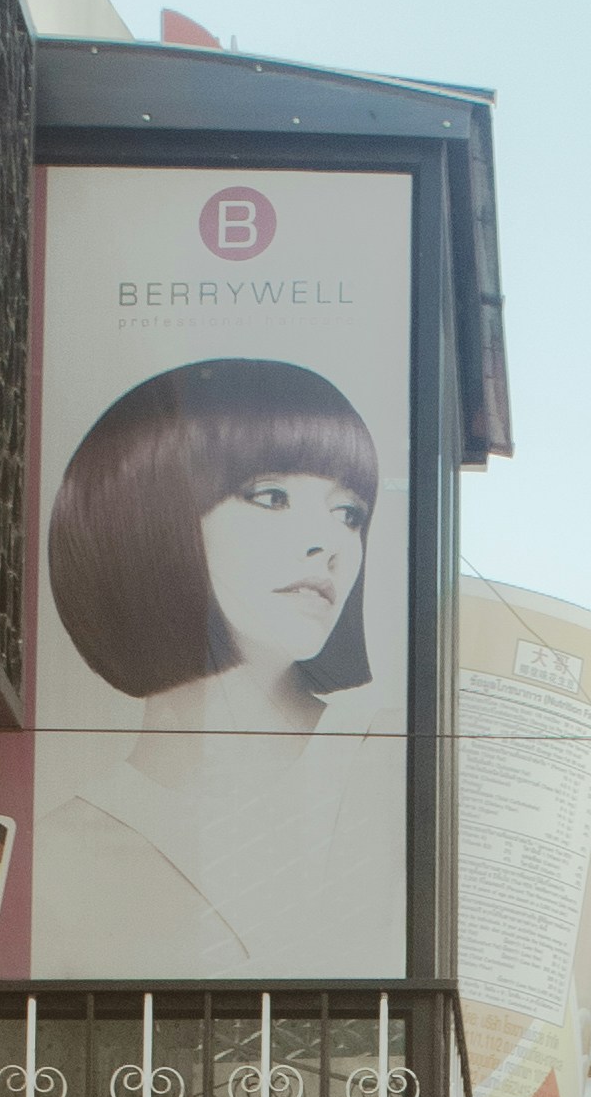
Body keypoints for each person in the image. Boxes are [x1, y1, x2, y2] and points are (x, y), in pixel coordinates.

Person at [36, 359, 401, 975]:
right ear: (152, 517)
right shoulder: (61, 849)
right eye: (272, 496)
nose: (330, 544)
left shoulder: (391, 757)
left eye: (349, 514)